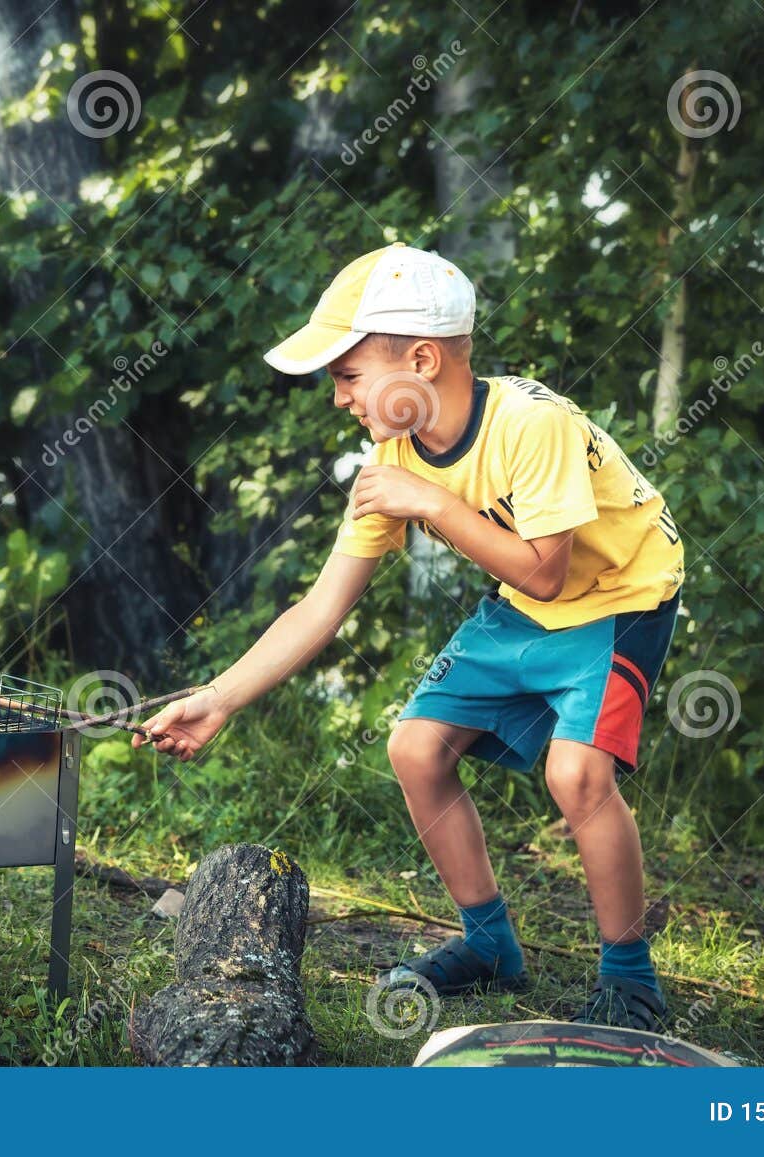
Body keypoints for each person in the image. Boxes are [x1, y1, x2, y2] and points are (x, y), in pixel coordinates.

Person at [133, 242, 686, 1030]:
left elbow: (547, 574)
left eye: (347, 375)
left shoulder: (532, 425)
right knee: (414, 747)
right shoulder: (396, 457)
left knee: (577, 775)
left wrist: (430, 502)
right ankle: (490, 944)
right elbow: (322, 606)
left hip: (621, 595)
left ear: (423, 358)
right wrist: (218, 699)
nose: (337, 398)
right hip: (524, 604)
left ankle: (630, 980)